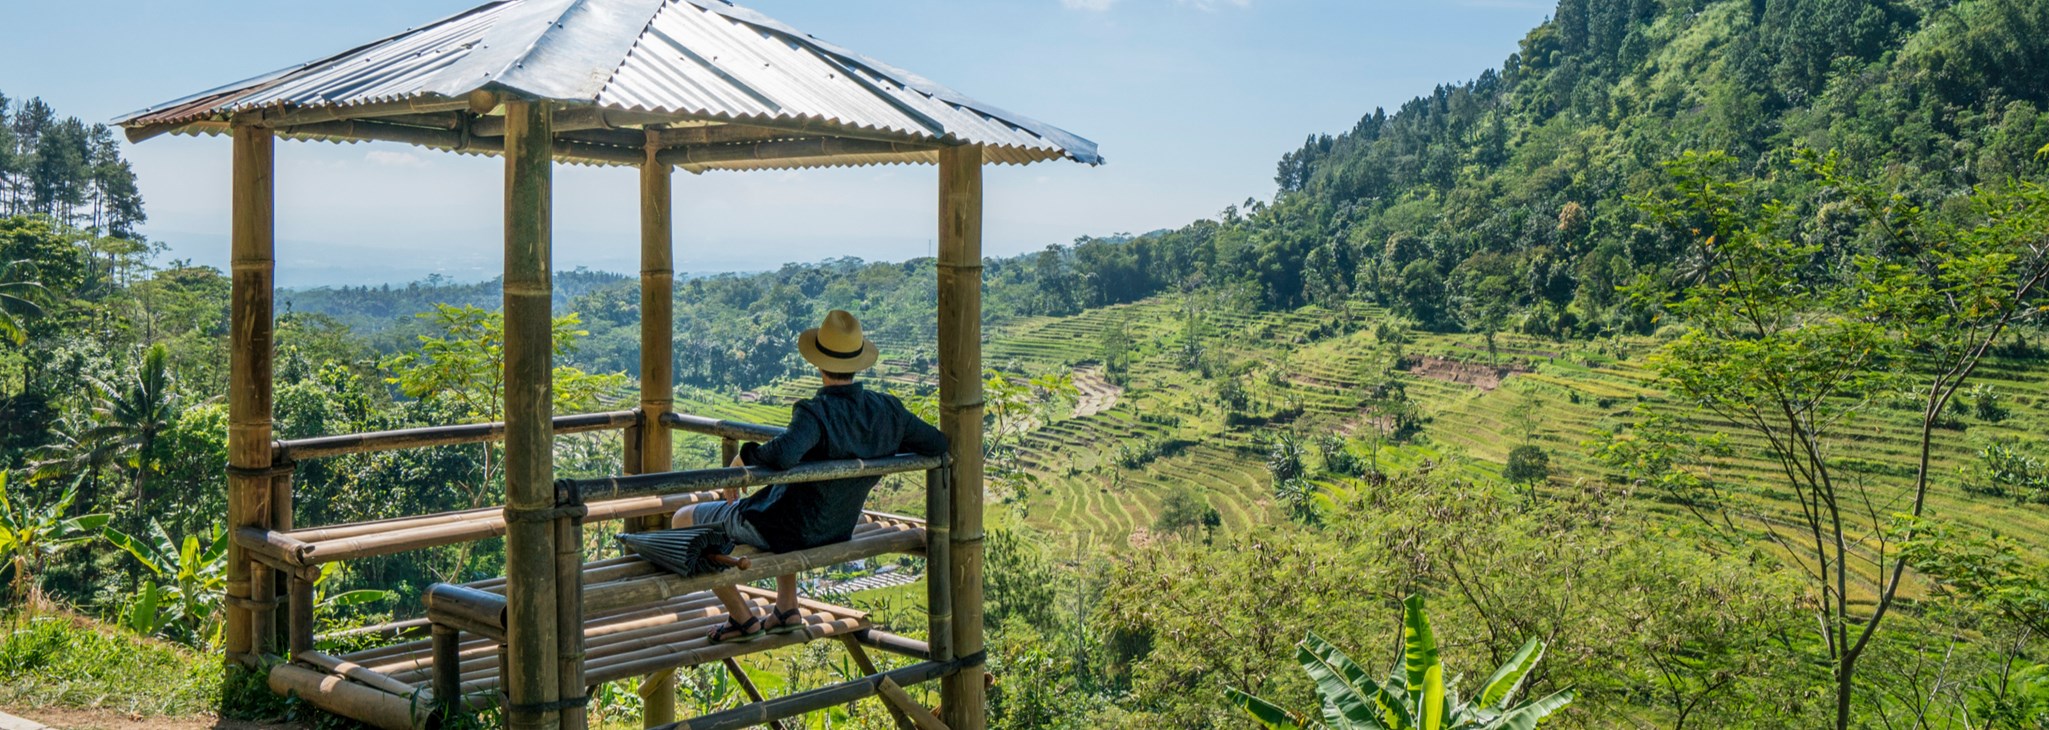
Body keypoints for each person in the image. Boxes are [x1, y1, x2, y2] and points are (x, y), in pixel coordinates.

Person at [673, 309, 948, 643]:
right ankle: (786, 608)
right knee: (790, 499)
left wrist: (744, 457)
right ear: (858, 363)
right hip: (838, 527)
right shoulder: (888, 411)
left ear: (819, 366)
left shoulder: (815, 412)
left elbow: (786, 453)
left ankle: (742, 618)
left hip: (785, 529)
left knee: (683, 519)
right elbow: (936, 443)